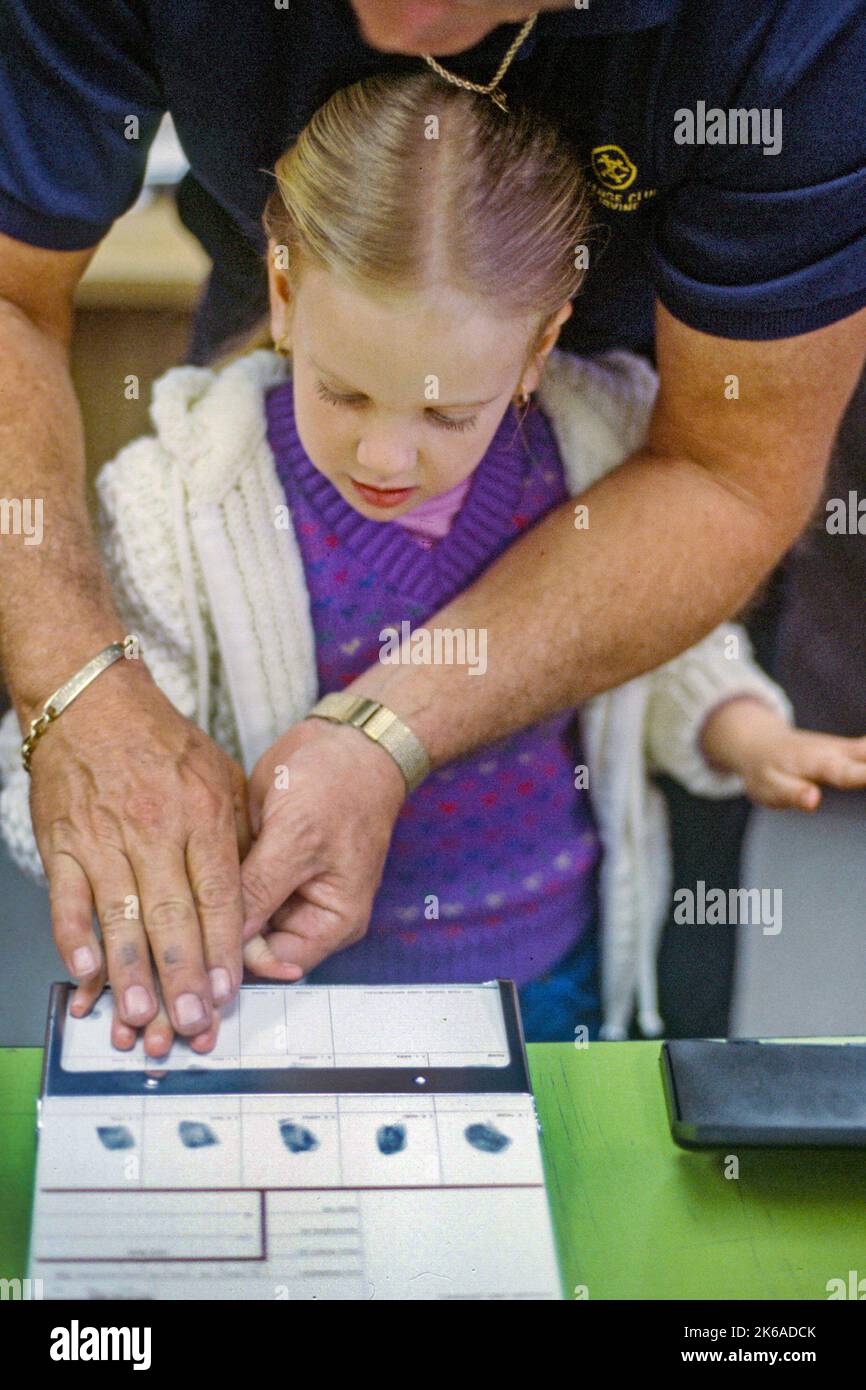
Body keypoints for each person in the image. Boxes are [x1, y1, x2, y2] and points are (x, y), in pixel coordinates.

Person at [0, 2, 865, 1050]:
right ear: (282, 290)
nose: (385, 459)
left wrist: (741, 725)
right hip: (280, 994)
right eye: (347, 395)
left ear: (541, 346)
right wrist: (94, 733)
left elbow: (694, 578)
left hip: (548, 968)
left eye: (446, 415)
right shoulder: (179, 509)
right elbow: (116, 754)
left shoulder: (596, 450)